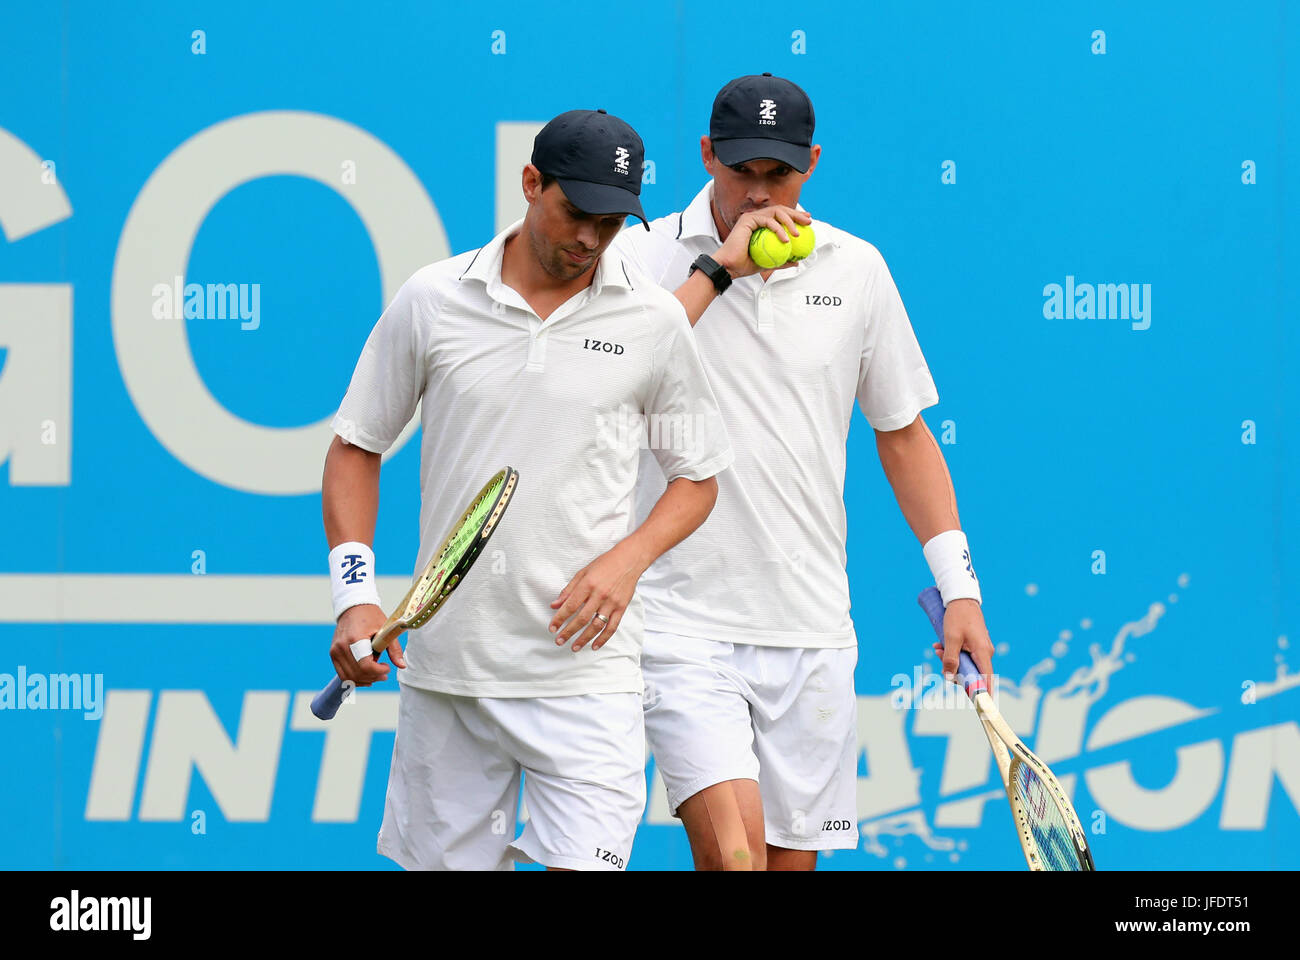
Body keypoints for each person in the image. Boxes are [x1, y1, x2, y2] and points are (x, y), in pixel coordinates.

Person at [322, 109, 733, 871]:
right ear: (530, 183)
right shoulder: (433, 298)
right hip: (451, 677)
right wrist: (354, 595)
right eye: (576, 213)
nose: (590, 239)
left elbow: (696, 480)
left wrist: (627, 560)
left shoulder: (653, 320)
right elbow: (355, 447)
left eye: (612, 223)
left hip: (587, 680)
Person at [614, 74, 994, 870]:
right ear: (708, 155)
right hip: (678, 619)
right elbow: (611, 383)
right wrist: (718, 272)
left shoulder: (857, 269)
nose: (757, 193)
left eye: (777, 174)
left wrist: (959, 590)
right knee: (735, 859)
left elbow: (904, 435)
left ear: (812, 164)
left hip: (811, 627)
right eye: (741, 169)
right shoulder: (636, 256)